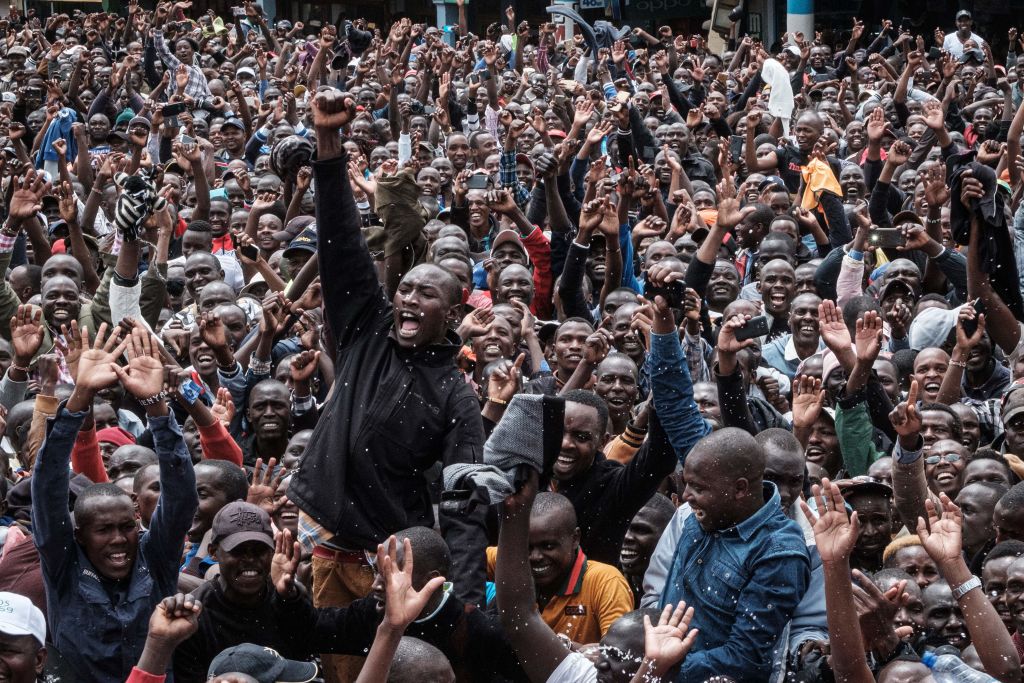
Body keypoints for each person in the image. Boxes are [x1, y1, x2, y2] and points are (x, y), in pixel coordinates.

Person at [32, 327, 198, 682]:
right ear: (79, 535)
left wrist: (157, 408)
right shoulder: (63, 565)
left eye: (126, 527)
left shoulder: (155, 557)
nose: (119, 539)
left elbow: (181, 498)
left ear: (138, 519)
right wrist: (80, 397)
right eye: (104, 530)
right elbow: (46, 486)